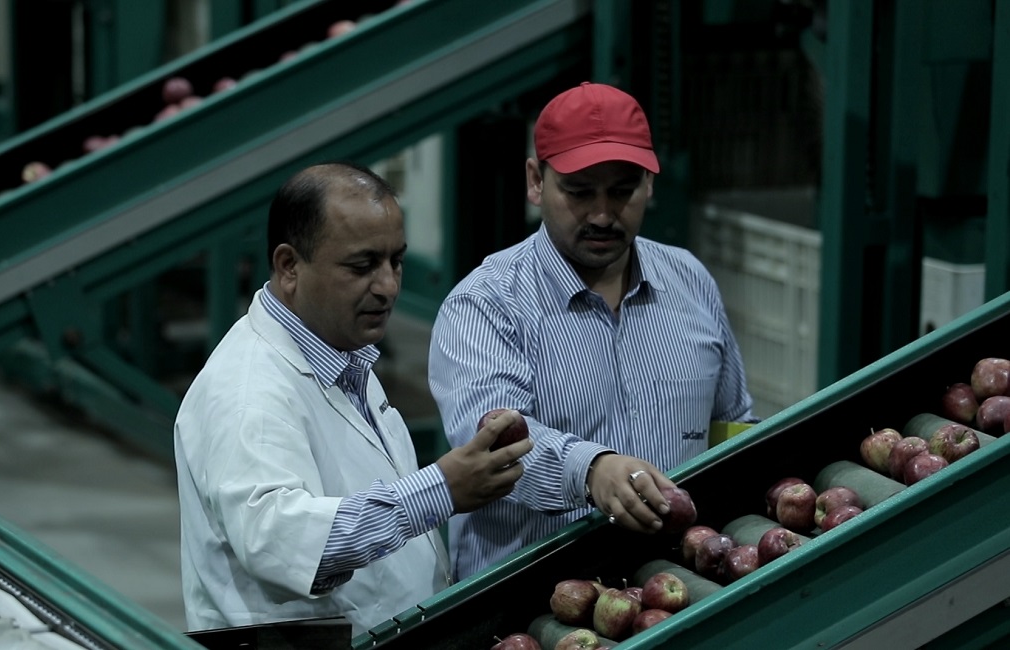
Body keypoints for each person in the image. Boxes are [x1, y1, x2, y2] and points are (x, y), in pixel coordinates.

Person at [173, 161, 533, 636]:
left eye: (396, 261)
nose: (387, 286)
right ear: (289, 267)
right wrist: (440, 491)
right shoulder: (248, 392)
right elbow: (279, 541)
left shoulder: (343, 353)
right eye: (362, 266)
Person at [428, 82, 757, 580]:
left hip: (677, 586)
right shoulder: (485, 304)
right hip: (531, 602)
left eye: (622, 191)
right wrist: (591, 470)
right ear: (536, 182)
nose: (603, 214)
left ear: (649, 183)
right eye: (579, 193)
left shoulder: (689, 279)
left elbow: (732, 422)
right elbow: (493, 449)